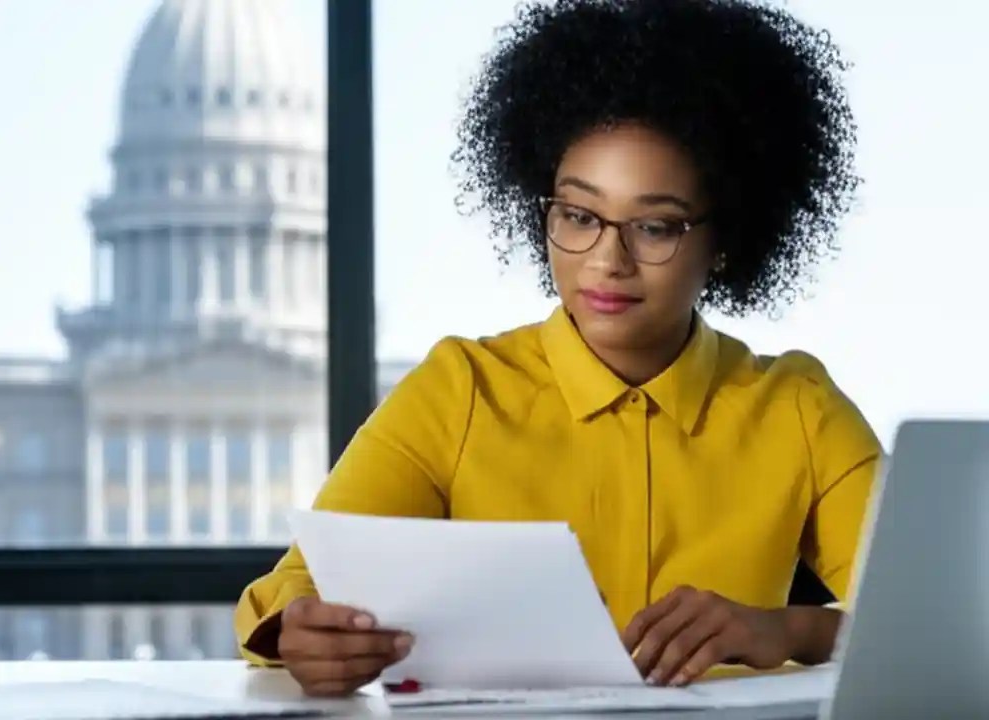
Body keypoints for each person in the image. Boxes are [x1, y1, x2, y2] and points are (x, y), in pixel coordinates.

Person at [235, 0, 880, 697]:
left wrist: (786, 631)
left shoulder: (795, 407)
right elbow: (299, 586)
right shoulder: (460, 391)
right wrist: (303, 631)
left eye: (656, 227)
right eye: (578, 215)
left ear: (724, 242)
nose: (607, 259)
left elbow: (940, 614)